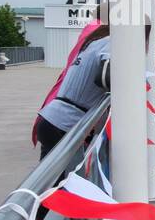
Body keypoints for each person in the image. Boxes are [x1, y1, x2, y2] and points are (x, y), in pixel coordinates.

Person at [34, 26, 111, 158]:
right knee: (65, 176)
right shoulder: (110, 42)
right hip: (65, 123)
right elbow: (104, 78)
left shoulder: (94, 43)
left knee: (52, 176)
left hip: (53, 119)